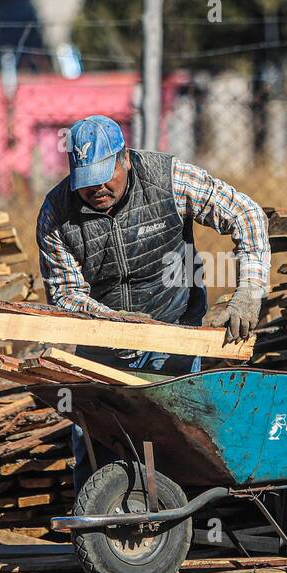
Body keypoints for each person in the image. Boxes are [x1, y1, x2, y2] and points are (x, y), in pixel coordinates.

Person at [35, 114, 270, 488]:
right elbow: (65, 294)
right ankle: (98, 535)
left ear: (124, 158)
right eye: (86, 181)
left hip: (174, 334)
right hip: (104, 346)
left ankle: (186, 533)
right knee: (97, 450)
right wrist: (113, 322)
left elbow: (245, 214)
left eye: (103, 176)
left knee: (182, 446)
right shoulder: (56, 214)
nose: (95, 188)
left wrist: (249, 291)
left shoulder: (169, 178)